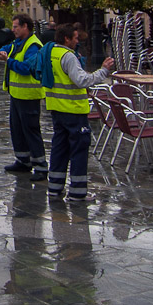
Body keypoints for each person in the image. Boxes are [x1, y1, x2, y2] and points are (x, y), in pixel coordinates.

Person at [39, 24, 114, 201]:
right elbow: (81, 80)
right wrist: (103, 71)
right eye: (75, 38)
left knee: (59, 149)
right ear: (67, 39)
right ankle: (78, 192)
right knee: (79, 150)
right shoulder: (68, 56)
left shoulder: (51, 53)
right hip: (73, 110)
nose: (77, 40)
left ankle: (54, 187)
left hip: (56, 108)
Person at [0, 14, 47, 176]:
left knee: (31, 131)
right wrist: (1, 52)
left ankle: (40, 166)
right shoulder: (18, 43)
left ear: (25, 27)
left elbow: (26, 68)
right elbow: (6, 49)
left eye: (16, 26)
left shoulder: (33, 46)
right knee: (17, 130)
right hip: (17, 94)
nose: (13, 29)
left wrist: (7, 60)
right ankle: (23, 161)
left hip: (29, 96)